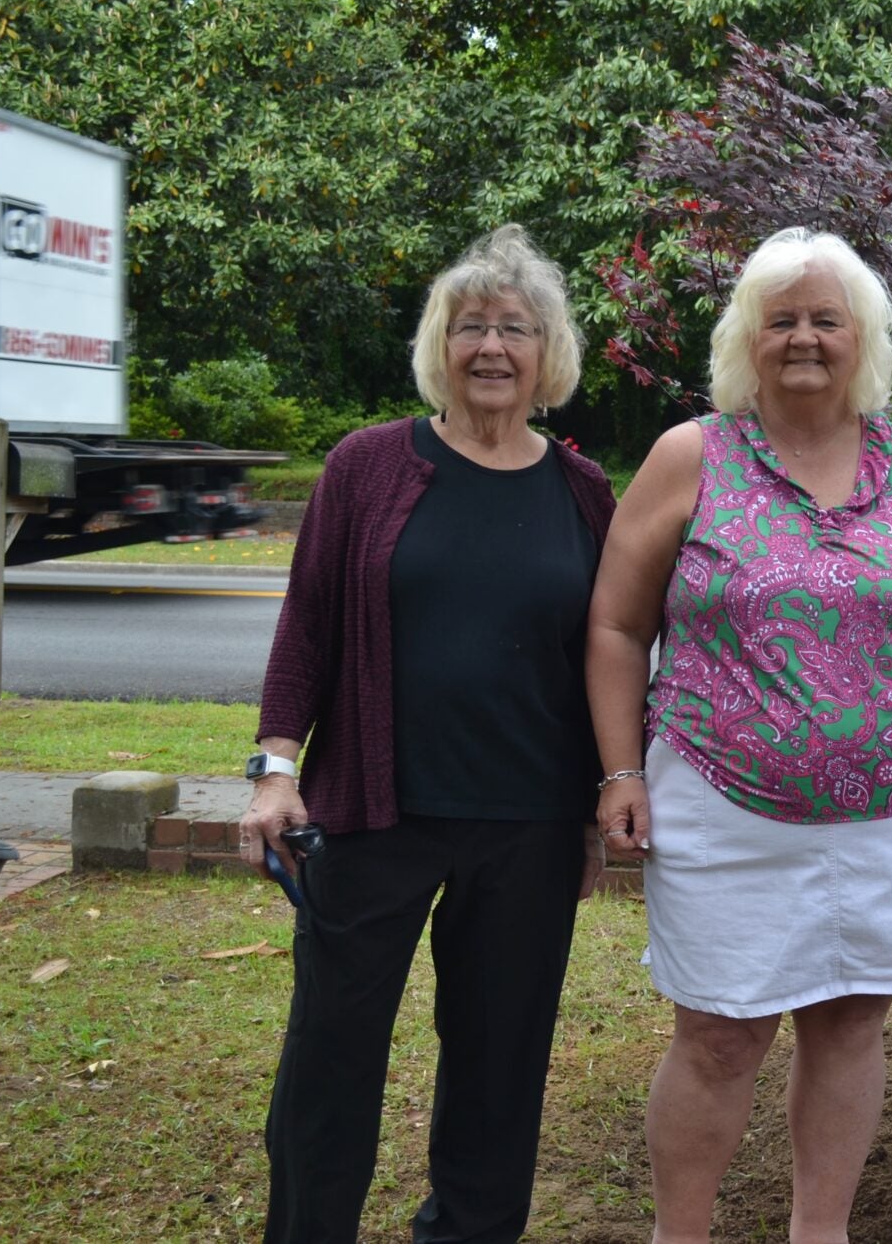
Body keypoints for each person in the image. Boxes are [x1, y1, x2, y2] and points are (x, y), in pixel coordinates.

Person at [586, 226, 892, 1244]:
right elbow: (615, 626)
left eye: (827, 319)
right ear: (748, 338)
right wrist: (618, 770)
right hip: (721, 808)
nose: (805, 338)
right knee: (718, 1037)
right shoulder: (690, 457)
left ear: (861, 338)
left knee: (852, 1024)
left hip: (891, 815)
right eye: (780, 320)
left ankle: (820, 1233)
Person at [239, 224, 618, 1243]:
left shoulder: (583, 493)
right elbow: (307, 625)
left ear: (548, 353)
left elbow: (606, 651)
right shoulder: (367, 466)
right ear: (439, 346)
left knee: (500, 1067)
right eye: (470, 326)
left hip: (529, 826)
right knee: (329, 1057)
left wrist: (595, 804)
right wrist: (275, 769)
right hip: (375, 815)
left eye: (515, 328)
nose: (491, 347)